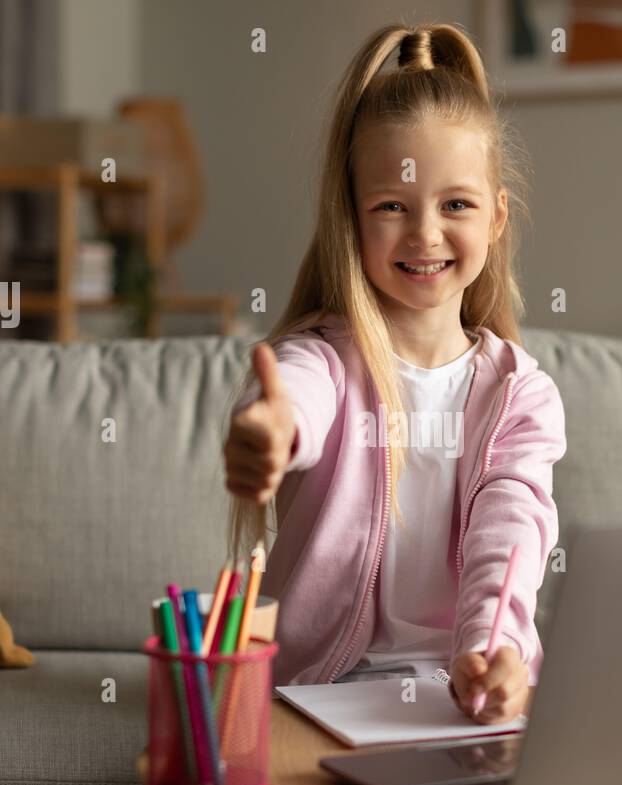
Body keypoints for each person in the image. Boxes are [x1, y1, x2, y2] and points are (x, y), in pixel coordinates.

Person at [222, 22, 566, 725]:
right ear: (350, 219)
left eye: (457, 205)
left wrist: (493, 650)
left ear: (497, 217)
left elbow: (510, 532)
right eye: (391, 207)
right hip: (318, 692)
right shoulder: (322, 359)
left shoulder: (520, 395)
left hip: (460, 696)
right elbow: (297, 402)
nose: (426, 234)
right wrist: (274, 428)